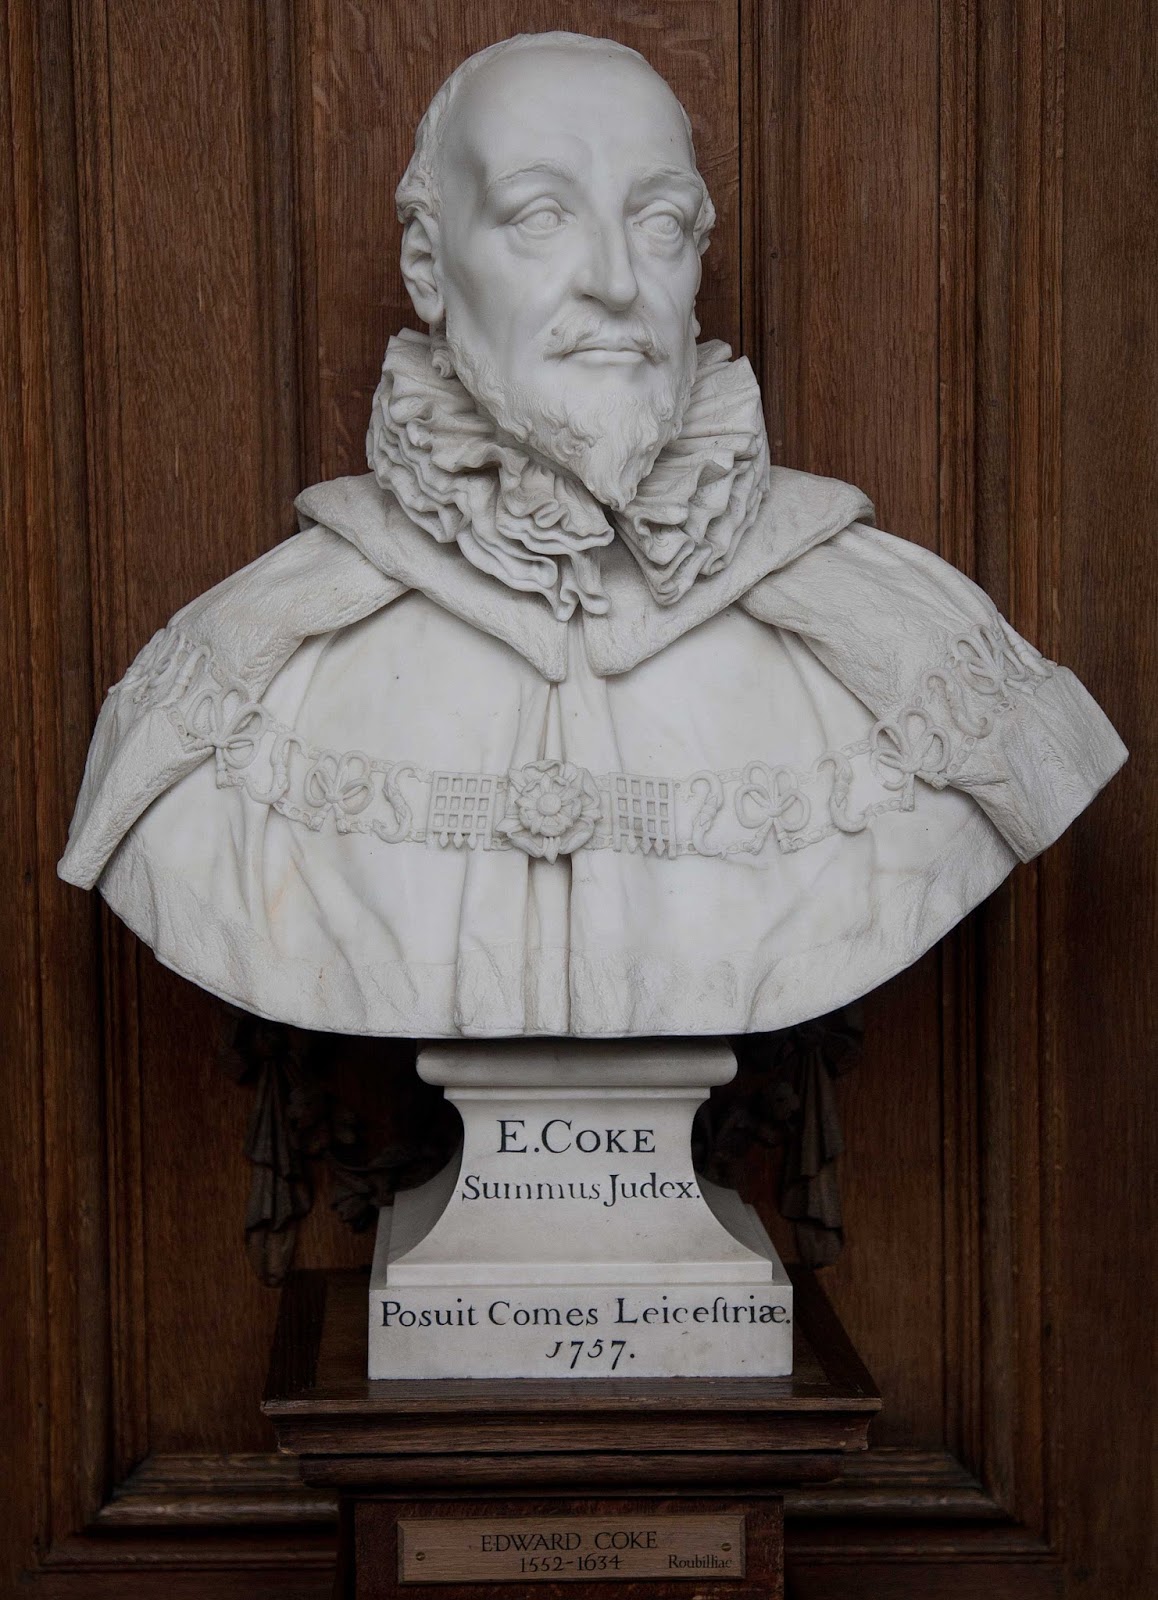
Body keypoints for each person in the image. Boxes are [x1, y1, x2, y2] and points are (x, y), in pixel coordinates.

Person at [59, 32, 1125, 1039]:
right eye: (538, 218)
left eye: (658, 223)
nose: (616, 281)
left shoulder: (898, 637)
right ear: (429, 267)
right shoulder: (254, 670)